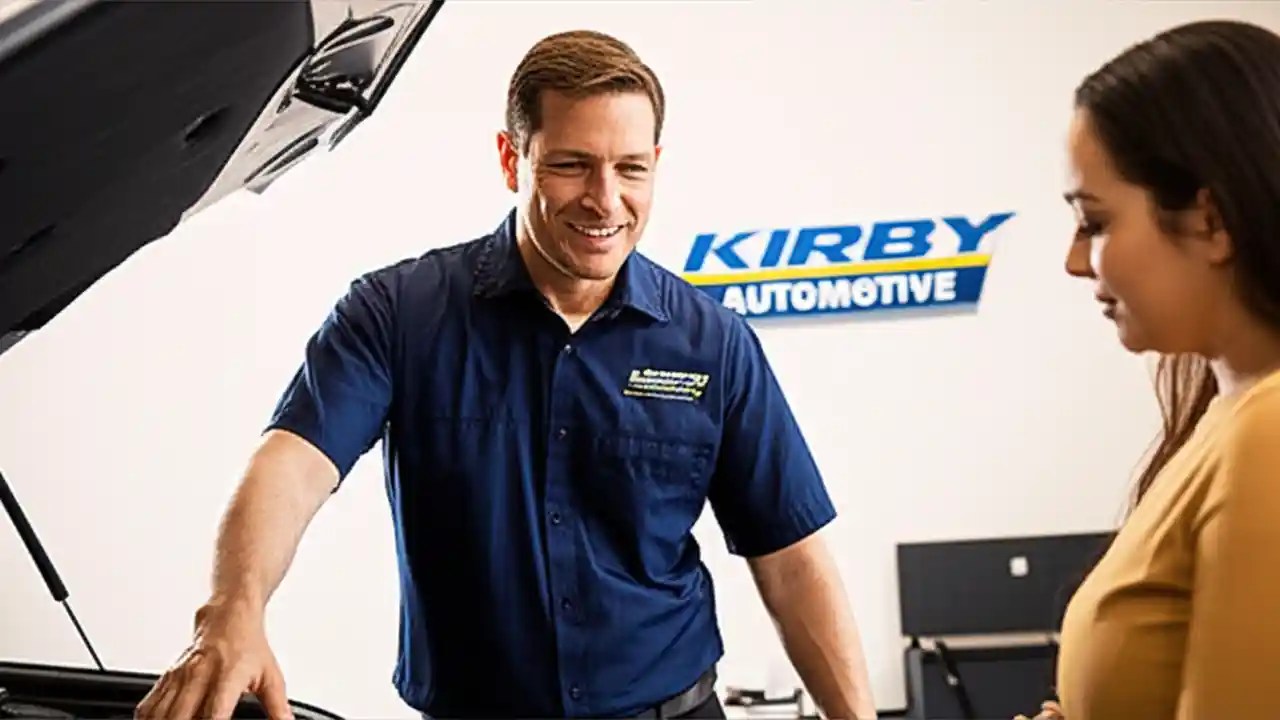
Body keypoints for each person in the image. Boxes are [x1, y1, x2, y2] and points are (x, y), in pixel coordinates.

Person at [133, 29, 877, 720]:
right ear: (511, 158)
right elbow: (293, 465)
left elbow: (791, 561)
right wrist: (231, 611)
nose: (605, 199)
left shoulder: (713, 343)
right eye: (571, 165)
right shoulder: (398, 315)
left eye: (631, 168)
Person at [1016, 17, 1280, 720]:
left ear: (1210, 221)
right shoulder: (1225, 419)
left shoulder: (1268, 434)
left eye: (1095, 222)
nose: (1075, 262)